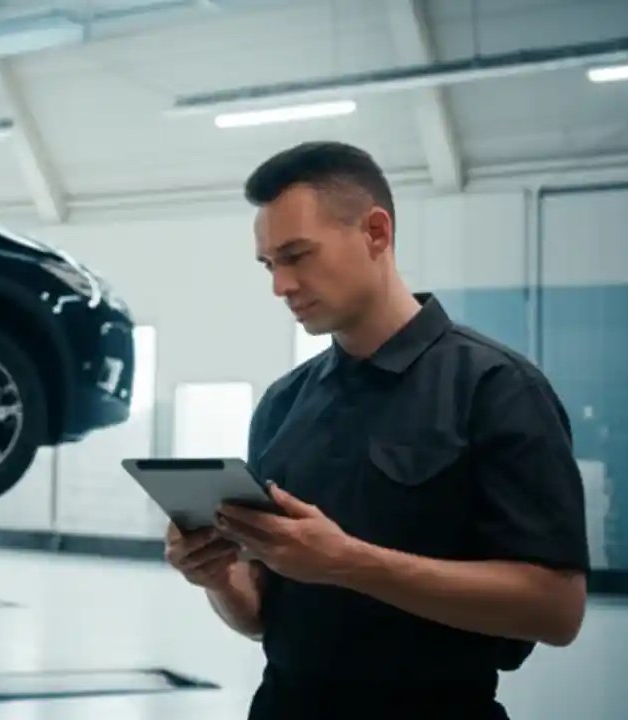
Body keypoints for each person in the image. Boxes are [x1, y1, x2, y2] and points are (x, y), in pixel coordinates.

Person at [164, 141, 590, 719]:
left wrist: (347, 561)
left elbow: (557, 611)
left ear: (376, 233)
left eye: (298, 255)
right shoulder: (282, 404)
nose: (281, 285)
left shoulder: (497, 389)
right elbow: (263, 616)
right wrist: (217, 576)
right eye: (269, 265)